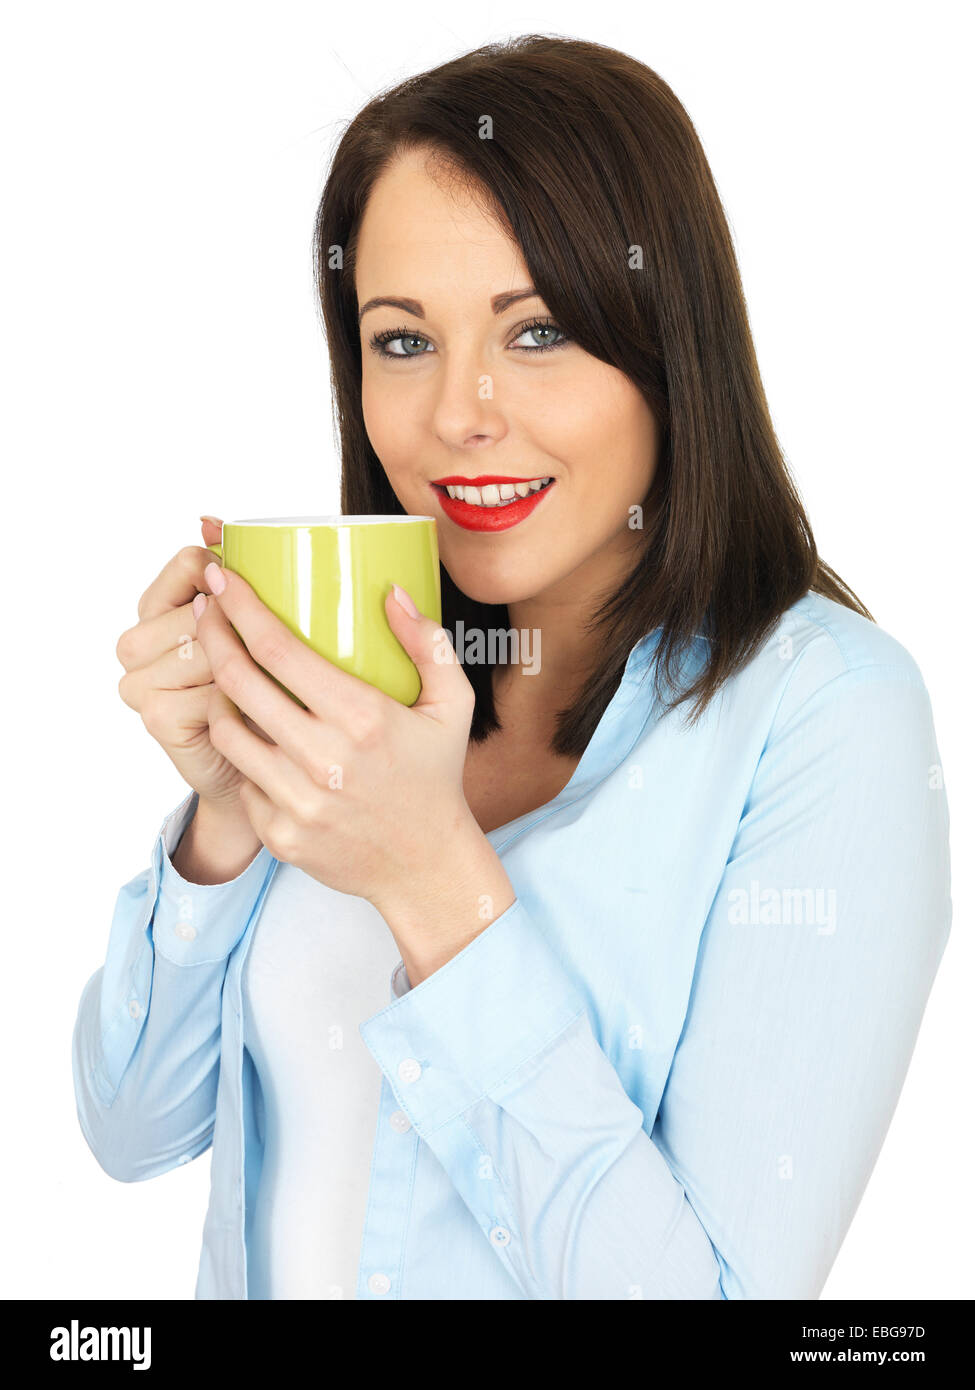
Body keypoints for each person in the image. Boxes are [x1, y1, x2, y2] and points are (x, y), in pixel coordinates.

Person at [72, 34, 952, 1300]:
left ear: (665, 342)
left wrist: (435, 886)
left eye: (536, 332)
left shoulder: (829, 719)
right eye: (402, 340)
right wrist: (225, 813)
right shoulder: (361, 669)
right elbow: (131, 1129)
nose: (458, 414)